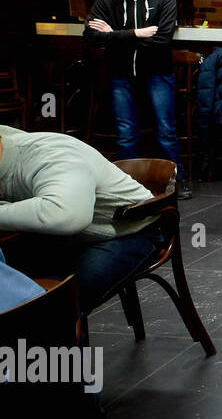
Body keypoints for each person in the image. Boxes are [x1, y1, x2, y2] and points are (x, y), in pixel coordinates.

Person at [0, 125, 162, 316]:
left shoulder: (49, 154)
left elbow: (66, 215)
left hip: (129, 230)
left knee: (62, 305)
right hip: (67, 235)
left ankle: (54, 338)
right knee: (13, 288)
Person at [83, 0, 190, 199]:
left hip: (157, 72)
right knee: (125, 130)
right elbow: (91, 37)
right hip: (120, 73)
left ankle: (175, 182)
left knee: (165, 129)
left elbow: (161, 40)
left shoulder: (164, 0)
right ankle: (126, 187)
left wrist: (114, 35)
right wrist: (135, 33)